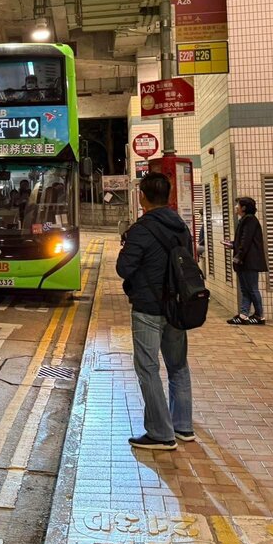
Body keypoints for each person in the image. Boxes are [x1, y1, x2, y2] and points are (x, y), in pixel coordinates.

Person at [115, 172, 195, 451]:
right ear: (169, 196)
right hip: (177, 307)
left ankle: (161, 432)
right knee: (178, 365)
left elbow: (124, 268)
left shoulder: (142, 229)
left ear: (143, 196)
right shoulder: (181, 227)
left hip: (148, 308)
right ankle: (183, 426)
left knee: (148, 368)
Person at [225, 196, 267, 325]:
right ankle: (244, 315)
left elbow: (246, 240)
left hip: (249, 261)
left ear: (243, 208)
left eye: (237, 205)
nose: (235, 207)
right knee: (245, 289)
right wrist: (233, 244)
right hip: (245, 260)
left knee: (252, 288)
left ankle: (260, 315)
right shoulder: (245, 219)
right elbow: (243, 240)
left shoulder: (249, 220)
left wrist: (239, 255)